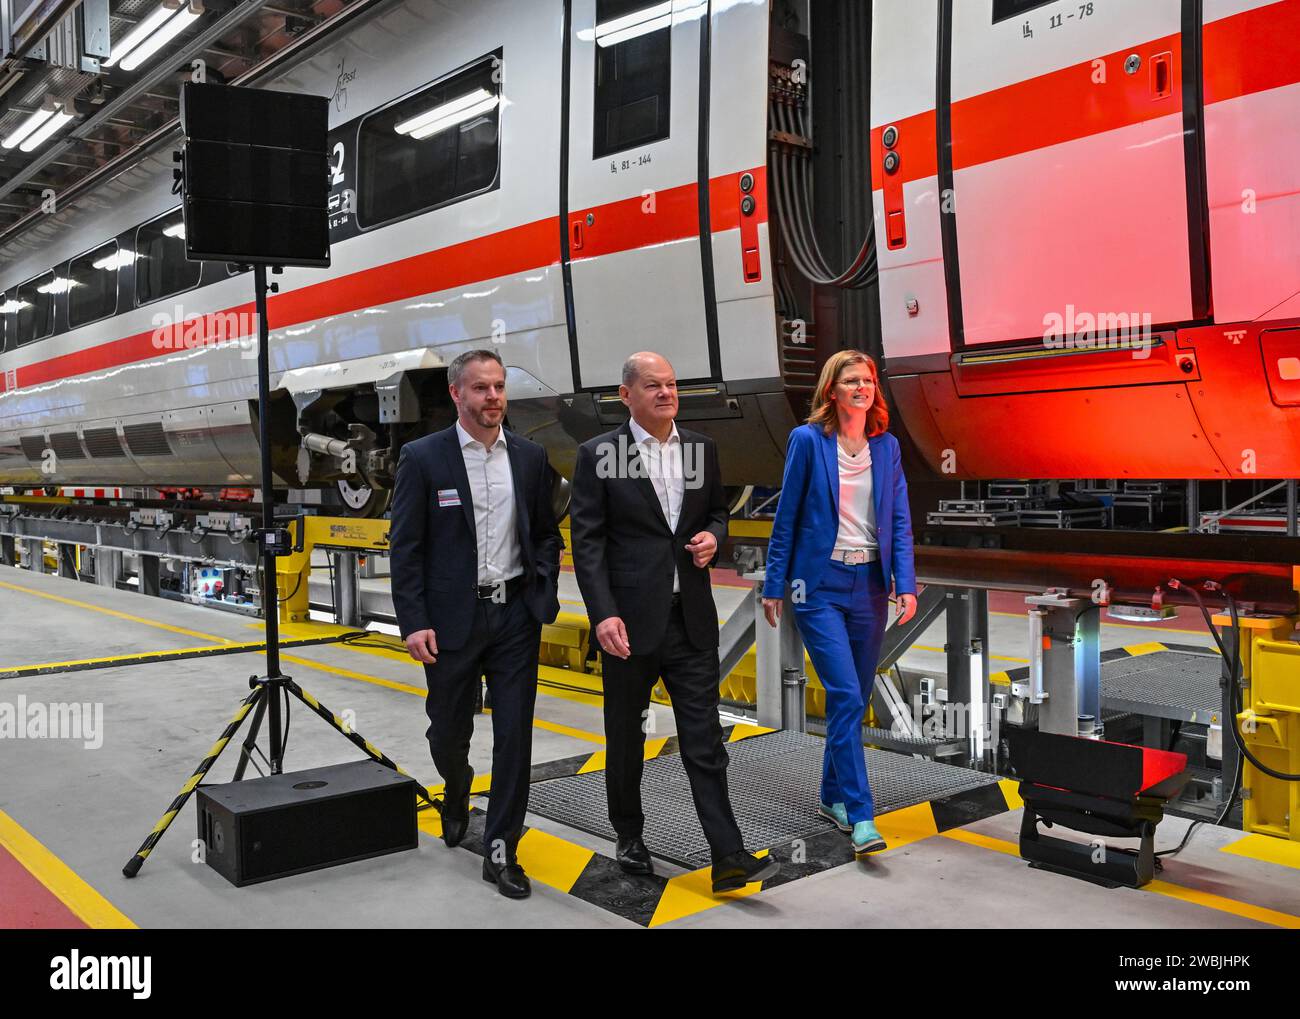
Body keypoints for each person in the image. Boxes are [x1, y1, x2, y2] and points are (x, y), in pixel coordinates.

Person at [570, 351, 779, 894]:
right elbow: (587, 543)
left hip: (689, 621)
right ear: (626, 394)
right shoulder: (598, 455)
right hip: (628, 627)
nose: (666, 393)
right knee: (625, 735)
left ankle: (728, 854)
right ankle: (629, 834)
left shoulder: (701, 451)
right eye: (653, 385)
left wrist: (715, 536)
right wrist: (603, 614)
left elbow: (715, 511)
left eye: (671, 385)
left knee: (704, 738)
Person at [389, 349, 563, 899]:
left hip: (515, 615)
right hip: (450, 620)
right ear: (456, 395)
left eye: (499, 387)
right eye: (481, 389)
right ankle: (457, 783)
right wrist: (414, 621)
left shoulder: (531, 458)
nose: (493, 398)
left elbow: (544, 534)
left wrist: (543, 592)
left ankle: (501, 846)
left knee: (514, 735)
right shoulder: (423, 458)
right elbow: (406, 547)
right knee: (447, 729)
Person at [762, 349, 917, 856]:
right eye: (851, 380)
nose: (862, 387)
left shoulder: (887, 446)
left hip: (869, 584)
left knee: (851, 696)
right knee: (847, 694)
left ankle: (832, 796)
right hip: (818, 586)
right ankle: (863, 816)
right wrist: (774, 584)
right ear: (832, 390)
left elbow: (898, 520)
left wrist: (905, 582)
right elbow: (787, 516)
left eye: (868, 380)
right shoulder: (808, 441)